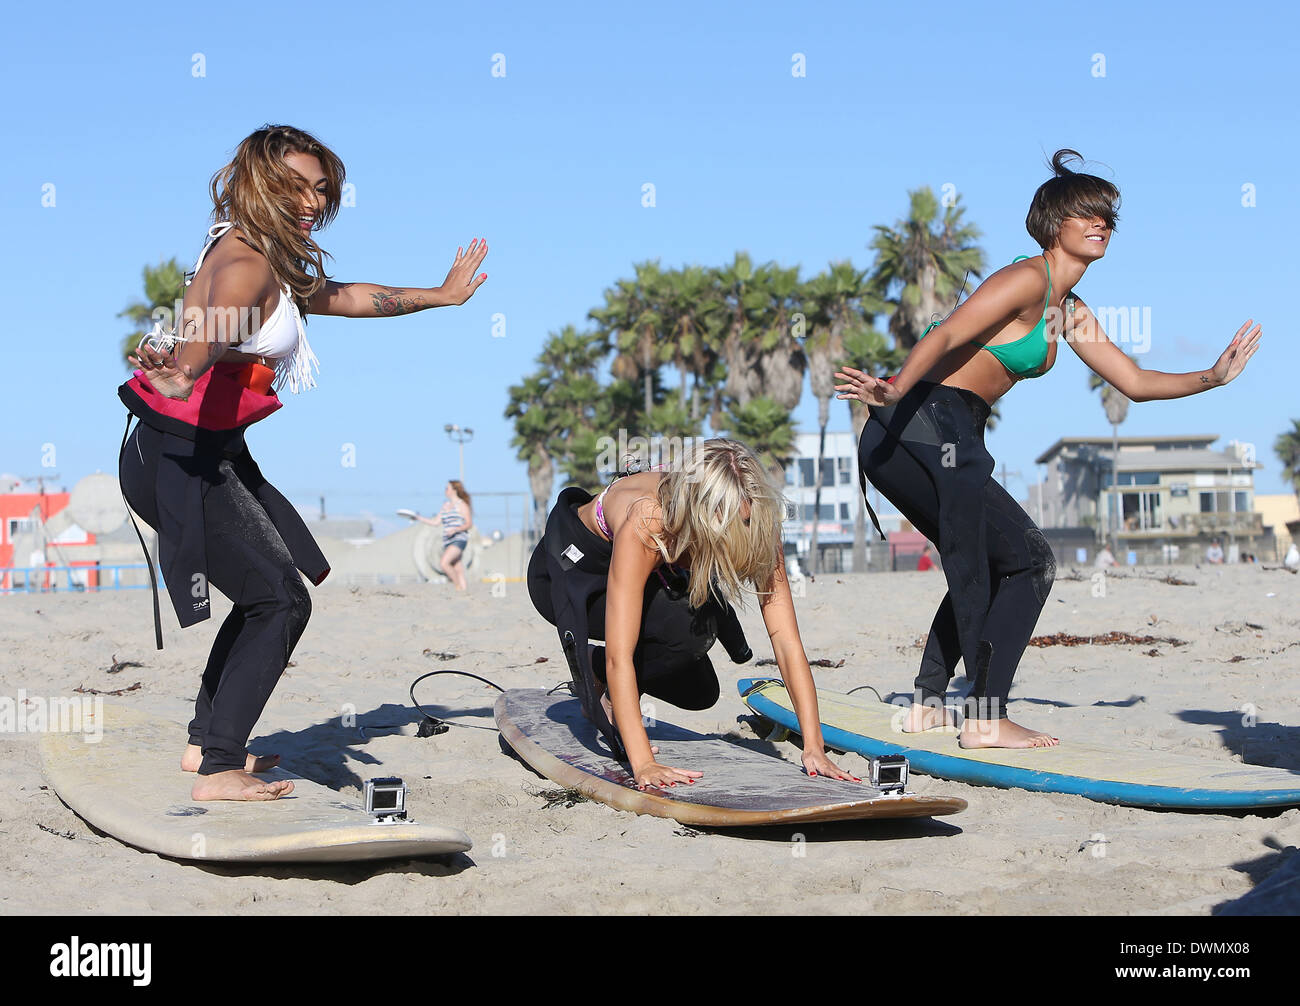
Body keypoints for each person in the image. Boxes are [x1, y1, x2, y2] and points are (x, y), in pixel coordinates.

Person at [835, 149, 1260, 749]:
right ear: (1052, 224)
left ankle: (928, 703)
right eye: (1086, 214)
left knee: (992, 558)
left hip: (929, 432)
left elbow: (1133, 383)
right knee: (1029, 560)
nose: (1101, 224)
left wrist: (1211, 378)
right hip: (925, 417)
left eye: (1108, 216)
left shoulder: (1068, 311)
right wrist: (895, 386)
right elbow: (951, 330)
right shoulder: (1027, 279)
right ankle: (984, 716)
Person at [120, 124, 488, 800]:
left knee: (268, 590)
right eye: (294, 185)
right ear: (259, 183)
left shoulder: (266, 256)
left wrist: (439, 295)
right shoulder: (246, 264)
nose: (312, 200)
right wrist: (179, 367)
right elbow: (211, 329)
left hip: (203, 449)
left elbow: (342, 296)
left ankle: (207, 740)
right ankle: (219, 766)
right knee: (281, 601)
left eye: (321, 189)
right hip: (178, 453)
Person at [527, 439, 856, 790]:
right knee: (686, 634)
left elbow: (786, 640)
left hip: (645, 575)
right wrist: (643, 764)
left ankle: (601, 675)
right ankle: (598, 682)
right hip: (571, 574)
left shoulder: (757, 518)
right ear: (700, 515)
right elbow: (621, 655)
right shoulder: (650, 519)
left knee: (698, 691)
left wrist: (814, 746)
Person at [416, 480, 474, 590]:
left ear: (454, 490)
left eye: (447, 488)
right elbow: (435, 522)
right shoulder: (446, 506)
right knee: (458, 567)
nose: (445, 490)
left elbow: (469, 523)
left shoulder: (461, 505)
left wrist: (456, 529)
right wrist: (419, 518)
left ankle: (458, 586)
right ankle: (464, 591)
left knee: (444, 563)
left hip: (459, 539)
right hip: (448, 540)